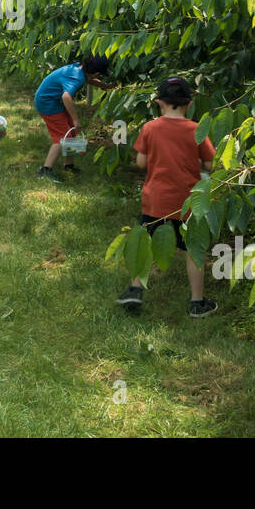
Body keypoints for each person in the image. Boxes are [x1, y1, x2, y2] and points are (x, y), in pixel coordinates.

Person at [117, 76, 218, 317]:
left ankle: (134, 289)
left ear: (159, 103)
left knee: (144, 245)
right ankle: (197, 302)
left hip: (155, 201)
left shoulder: (150, 128)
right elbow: (209, 165)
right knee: (193, 250)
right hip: (187, 203)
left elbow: (141, 162)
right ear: (190, 104)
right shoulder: (196, 130)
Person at [33, 54, 111, 182]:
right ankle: (45, 171)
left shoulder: (79, 68)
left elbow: (88, 79)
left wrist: (104, 86)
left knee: (71, 132)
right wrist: (75, 119)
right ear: (96, 73)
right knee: (62, 137)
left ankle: (68, 166)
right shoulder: (77, 78)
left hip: (52, 100)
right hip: (47, 103)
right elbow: (66, 97)